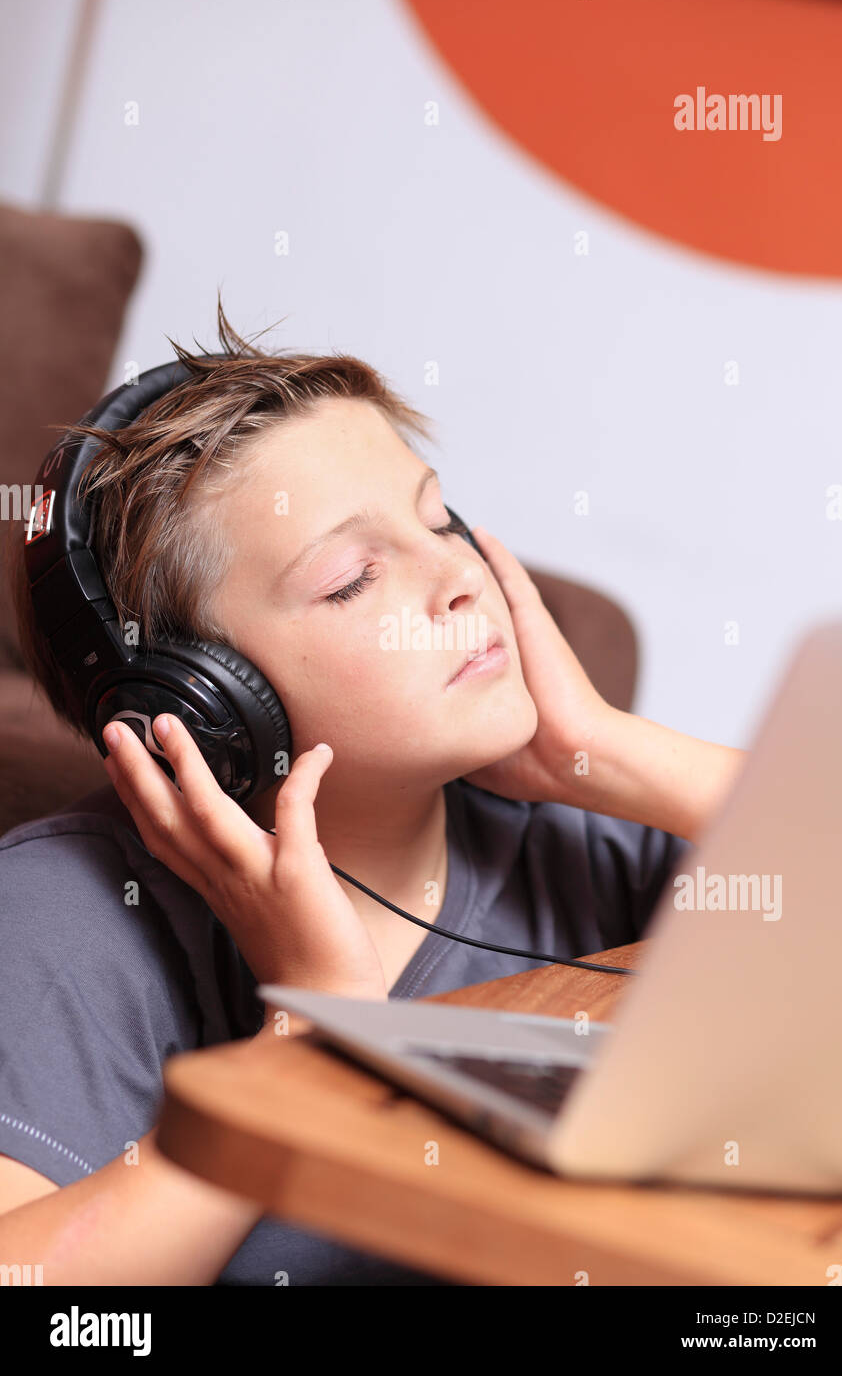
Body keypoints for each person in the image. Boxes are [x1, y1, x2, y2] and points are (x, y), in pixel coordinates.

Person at [0, 300, 744, 1285]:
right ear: (206, 699)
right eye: (353, 577)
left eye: (440, 518)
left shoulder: (586, 835)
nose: (457, 576)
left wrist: (601, 750)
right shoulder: (68, 917)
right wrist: (306, 1026)